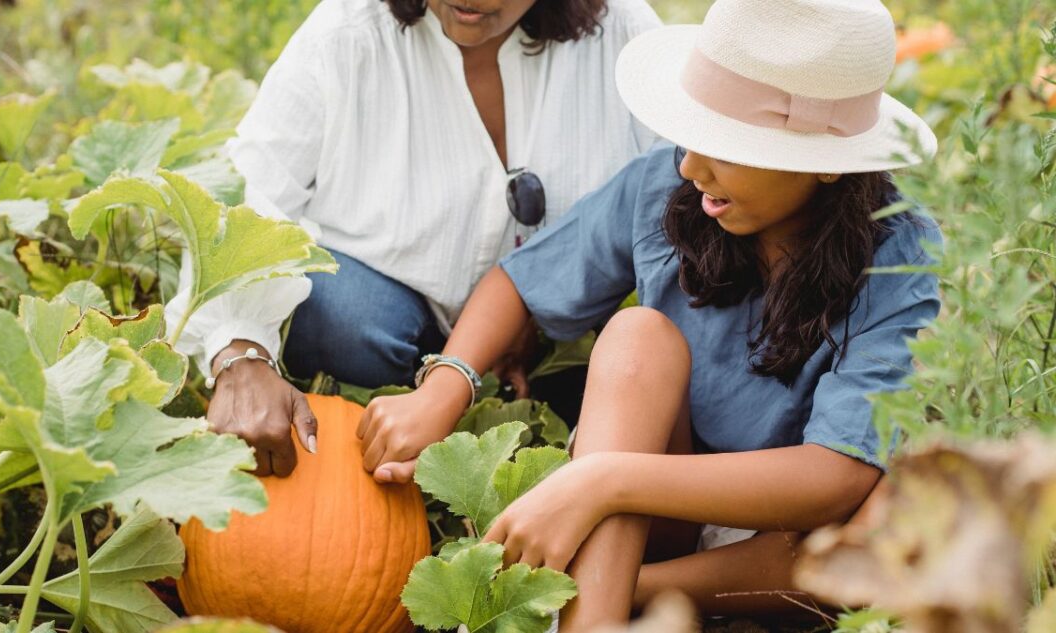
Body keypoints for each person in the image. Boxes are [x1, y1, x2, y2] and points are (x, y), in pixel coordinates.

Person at [357, 0, 942, 626]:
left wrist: (603, 480)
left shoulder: (897, 254)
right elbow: (521, 282)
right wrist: (446, 386)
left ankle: (616, 591)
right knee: (639, 335)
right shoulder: (672, 187)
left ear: (824, 168)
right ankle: (595, 619)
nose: (691, 165)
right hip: (664, 502)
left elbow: (836, 477)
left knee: (903, 506)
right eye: (695, 134)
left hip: (792, 543)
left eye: (727, 145)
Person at [164, 0, 664, 477]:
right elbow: (252, 186)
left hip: (549, 341)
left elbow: (684, 192)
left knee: (622, 362)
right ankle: (401, 422)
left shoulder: (623, 35)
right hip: (389, 325)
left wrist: (542, 301)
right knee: (339, 314)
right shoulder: (347, 33)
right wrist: (239, 348)